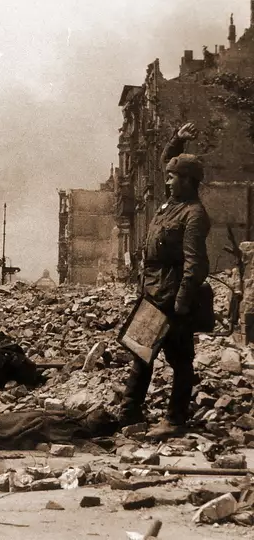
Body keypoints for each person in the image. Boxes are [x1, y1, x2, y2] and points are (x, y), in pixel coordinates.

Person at [118, 122, 210, 440]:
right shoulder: (171, 204)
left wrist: (182, 304)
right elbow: (163, 164)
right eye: (169, 177)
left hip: (173, 298)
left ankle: (175, 419)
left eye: (173, 178)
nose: (167, 181)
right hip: (153, 293)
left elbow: (195, 265)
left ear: (187, 181)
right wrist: (177, 142)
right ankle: (129, 412)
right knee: (141, 353)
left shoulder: (194, 214)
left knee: (181, 360)